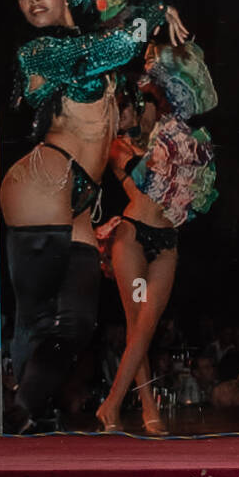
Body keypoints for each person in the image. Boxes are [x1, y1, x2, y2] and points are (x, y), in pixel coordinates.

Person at [0, 0, 187, 431]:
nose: (33, 0)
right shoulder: (38, 53)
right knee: (35, 320)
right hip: (39, 183)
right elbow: (116, 46)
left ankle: (21, 410)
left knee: (76, 324)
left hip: (79, 199)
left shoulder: (79, 26)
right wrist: (152, 9)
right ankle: (17, 412)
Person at [94, 40, 217, 434]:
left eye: (138, 106)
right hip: (132, 236)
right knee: (140, 325)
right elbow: (143, 191)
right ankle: (138, 408)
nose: (135, 113)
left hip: (166, 243)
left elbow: (184, 190)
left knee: (145, 325)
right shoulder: (118, 147)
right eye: (130, 108)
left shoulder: (170, 136)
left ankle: (120, 406)